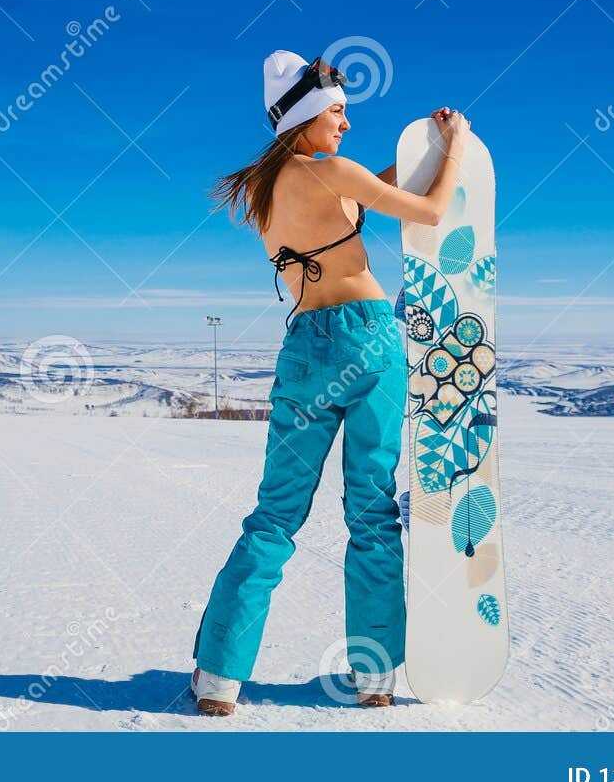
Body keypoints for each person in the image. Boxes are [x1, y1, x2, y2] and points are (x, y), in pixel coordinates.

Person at [188, 49, 468, 715]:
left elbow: (352, 192)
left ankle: (219, 678)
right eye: (337, 111)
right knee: (371, 511)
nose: (345, 123)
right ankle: (374, 677)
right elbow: (427, 211)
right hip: (369, 342)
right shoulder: (332, 174)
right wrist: (452, 146)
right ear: (308, 114)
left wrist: (404, 159)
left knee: (275, 516)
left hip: (305, 353)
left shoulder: (264, 193)